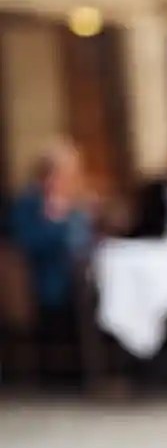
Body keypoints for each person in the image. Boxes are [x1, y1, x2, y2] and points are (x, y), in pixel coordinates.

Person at [8, 139, 96, 339]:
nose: (63, 181)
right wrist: (57, 224)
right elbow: (25, 242)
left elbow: (87, 241)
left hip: (83, 279)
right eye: (57, 174)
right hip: (46, 280)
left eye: (69, 176)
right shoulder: (28, 205)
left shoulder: (79, 203)